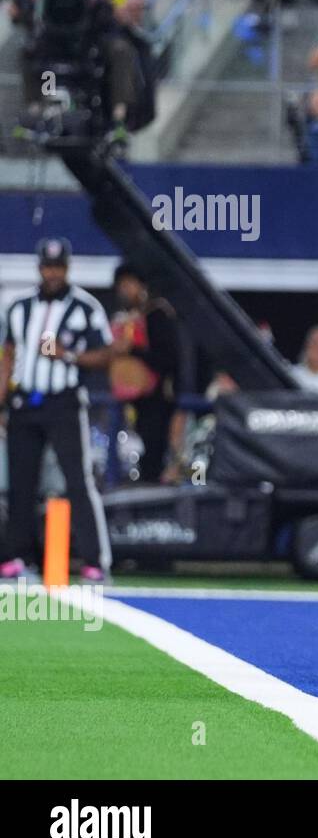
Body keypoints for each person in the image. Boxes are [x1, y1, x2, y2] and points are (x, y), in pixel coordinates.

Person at [0, 238, 113, 582]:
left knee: (78, 481)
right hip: (24, 404)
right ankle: (19, 558)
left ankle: (96, 561)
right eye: (48, 267)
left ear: (67, 268)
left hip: (63, 401)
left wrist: (67, 355)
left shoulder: (85, 307)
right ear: (39, 267)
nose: (52, 273)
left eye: (58, 267)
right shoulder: (18, 307)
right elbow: (8, 356)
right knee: (21, 483)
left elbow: (106, 353)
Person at [109, 263, 180, 484]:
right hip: (129, 401)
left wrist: (133, 350)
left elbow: (167, 358)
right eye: (122, 285)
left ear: (142, 286)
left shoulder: (157, 314)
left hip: (156, 401)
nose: (125, 290)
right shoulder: (123, 319)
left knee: (154, 457)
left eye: (130, 284)